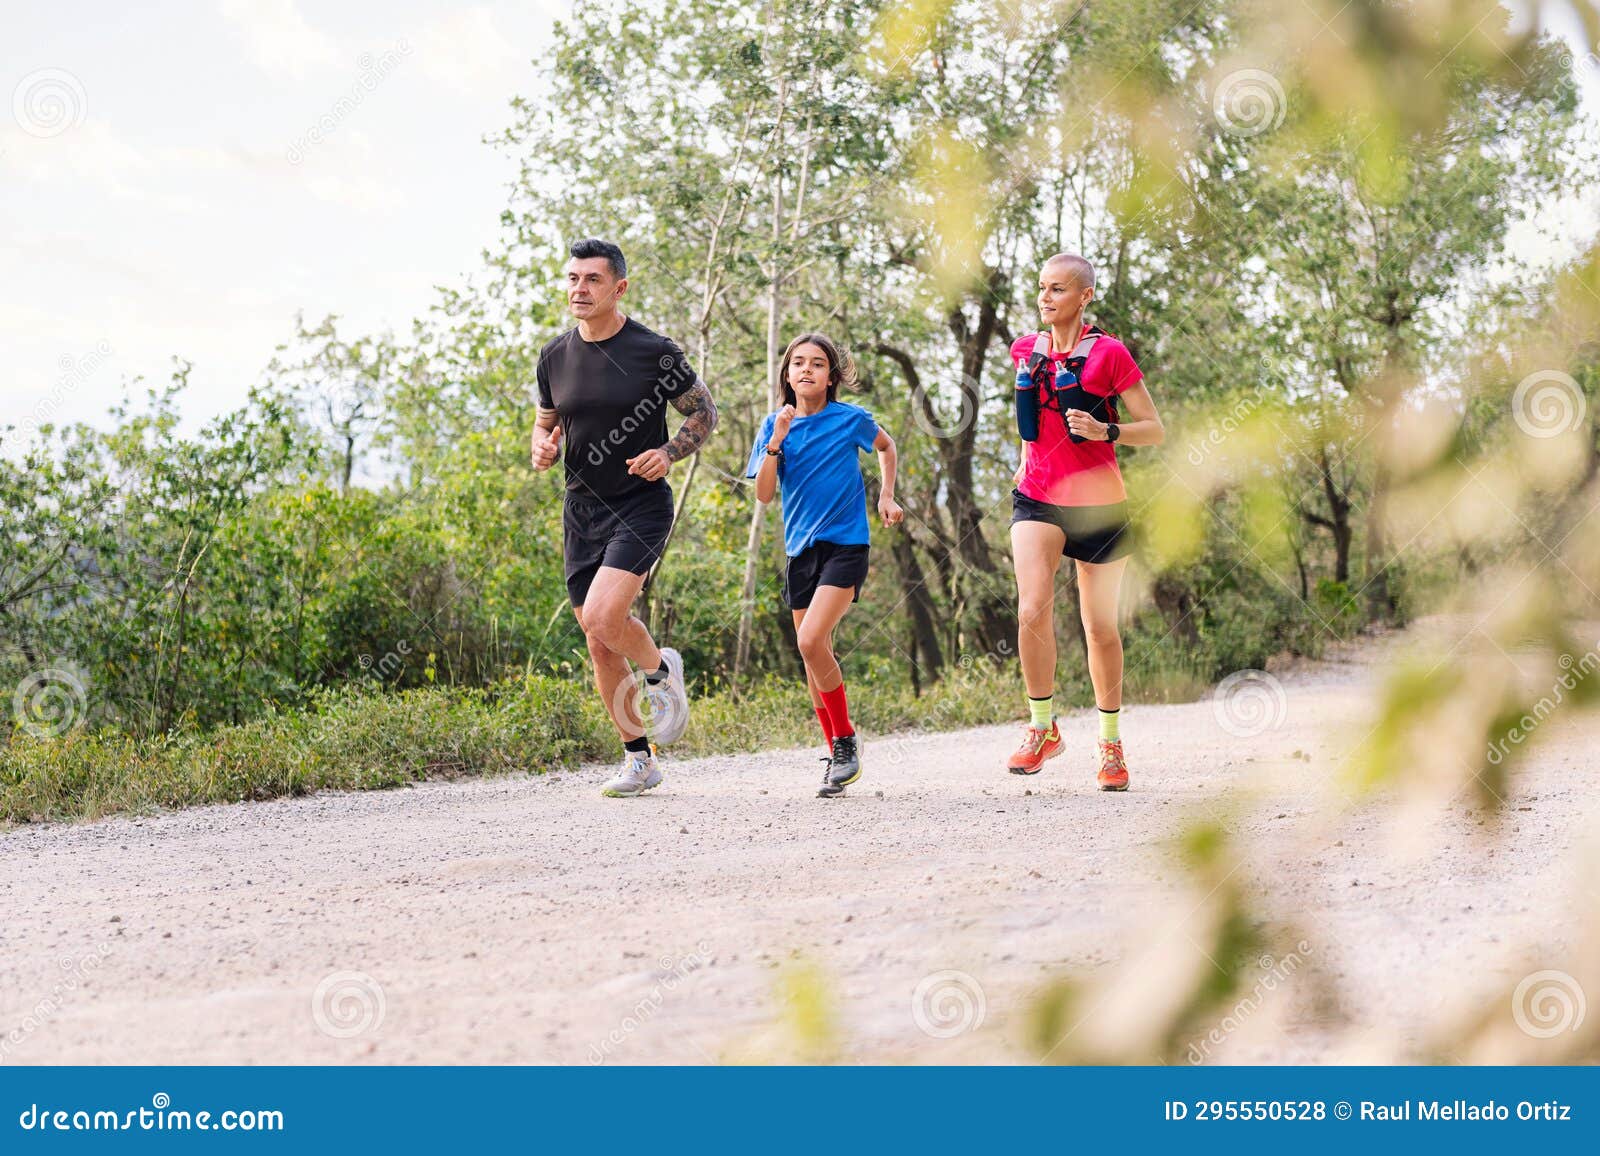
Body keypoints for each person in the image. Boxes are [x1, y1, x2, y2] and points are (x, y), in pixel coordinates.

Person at [531, 238, 719, 798]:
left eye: (591, 279)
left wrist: (668, 452)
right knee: (598, 641)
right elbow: (545, 424)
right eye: (572, 279)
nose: (579, 289)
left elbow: (705, 412)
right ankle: (641, 759)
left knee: (603, 618)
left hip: (639, 502)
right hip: (581, 509)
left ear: (619, 288)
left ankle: (660, 670)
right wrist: (541, 446)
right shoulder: (553, 356)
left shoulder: (653, 352)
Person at [1006, 253, 1164, 790]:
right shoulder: (1024, 350)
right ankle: (1042, 728)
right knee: (1031, 608)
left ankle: (1111, 744)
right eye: (1041, 288)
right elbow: (1032, 421)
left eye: (1057, 289)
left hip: (1099, 502)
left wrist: (1106, 432)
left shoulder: (1111, 354)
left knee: (1099, 628)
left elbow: (1154, 428)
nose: (1045, 298)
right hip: (1038, 497)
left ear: (1085, 296)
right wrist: (1025, 456)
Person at [745, 334, 902, 797]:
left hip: (846, 545)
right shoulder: (774, 425)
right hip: (800, 553)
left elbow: (887, 447)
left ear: (831, 377)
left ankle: (845, 740)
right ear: (787, 374)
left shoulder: (849, 419)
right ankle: (836, 755)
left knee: (811, 640)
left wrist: (887, 496)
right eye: (798, 363)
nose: (806, 370)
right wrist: (776, 441)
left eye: (817, 364)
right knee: (813, 657)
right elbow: (764, 493)